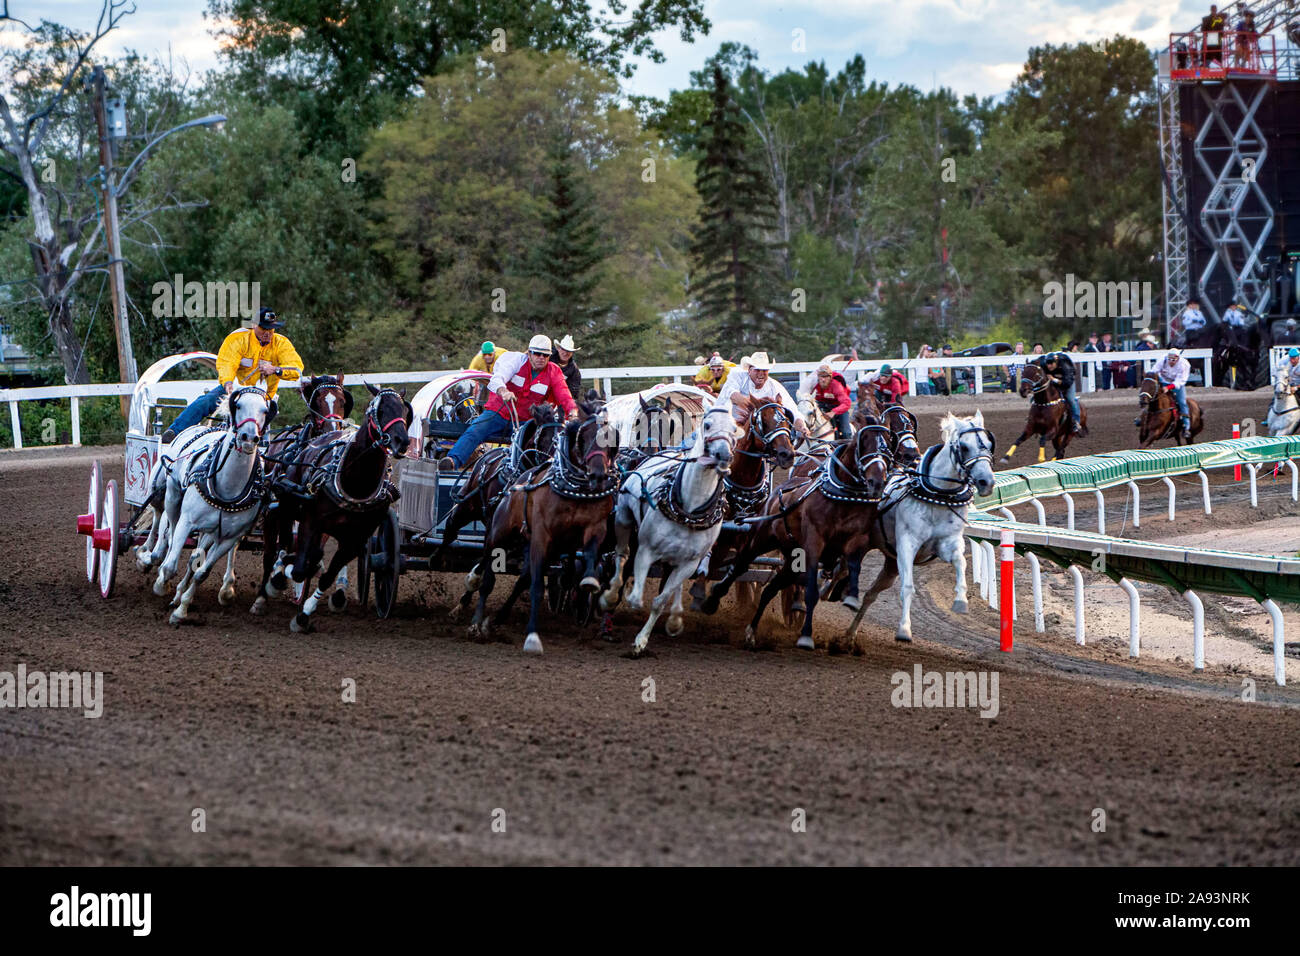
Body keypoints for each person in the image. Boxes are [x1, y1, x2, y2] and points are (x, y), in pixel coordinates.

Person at [439, 334, 579, 471]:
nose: (541, 358)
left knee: (542, 442)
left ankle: (540, 475)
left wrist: (573, 412)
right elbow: (497, 378)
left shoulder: (554, 371)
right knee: (476, 430)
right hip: (498, 413)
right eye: (537, 354)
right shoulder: (516, 360)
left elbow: (565, 396)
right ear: (529, 353)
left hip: (525, 421)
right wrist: (503, 391)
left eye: (545, 355)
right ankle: (452, 461)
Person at [162, 307, 303, 443]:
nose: (268, 333)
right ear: (253, 325)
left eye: (271, 329)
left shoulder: (282, 344)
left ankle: (262, 448)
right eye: (263, 328)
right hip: (235, 390)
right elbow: (227, 362)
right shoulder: (239, 339)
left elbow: (296, 370)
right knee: (206, 401)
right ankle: (174, 432)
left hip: (263, 395)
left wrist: (276, 370)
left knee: (265, 417)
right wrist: (228, 383)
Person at [717, 351, 808, 436]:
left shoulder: (774, 386)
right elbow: (733, 396)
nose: (761, 373)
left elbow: (792, 409)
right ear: (749, 370)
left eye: (764, 370)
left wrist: (802, 427)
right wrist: (759, 407)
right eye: (757, 370)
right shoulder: (737, 375)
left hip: (757, 431)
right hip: (726, 425)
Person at [1029, 349, 1082, 433]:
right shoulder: (1043, 361)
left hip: (1067, 381)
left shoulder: (1066, 366)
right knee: (1035, 397)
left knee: (1071, 399)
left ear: (1056, 362)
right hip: (1052, 381)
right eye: (1048, 364)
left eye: (1051, 364)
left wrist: (1054, 379)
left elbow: (1067, 383)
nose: (1049, 366)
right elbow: (1032, 364)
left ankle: (1076, 422)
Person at [1142, 348, 1193, 437]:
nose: (1171, 362)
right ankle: (1143, 416)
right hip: (1163, 379)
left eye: (1173, 360)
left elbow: (1180, 381)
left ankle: (1186, 426)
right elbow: (1154, 371)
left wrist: (1168, 387)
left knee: (1182, 402)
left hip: (1176, 384)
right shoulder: (1162, 360)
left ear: (1178, 359)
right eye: (1169, 359)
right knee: (1153, 396)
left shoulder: (1184, 365)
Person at [803, 364, 853, 439]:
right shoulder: (813, 385)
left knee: (846, 432)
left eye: (826, 377)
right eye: (821, 376)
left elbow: (846, 403)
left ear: (830, 377)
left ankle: (848, 448)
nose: (823, 379)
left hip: (838, 408)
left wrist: (833, 412)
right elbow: (805, 398)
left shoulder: (836, 385)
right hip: (821, 406)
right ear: (818, 377)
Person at [551, 334, 584, 403]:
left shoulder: (574, 370)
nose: (565, 353)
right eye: (563, 349)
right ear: (559, 349)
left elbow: (575, 390)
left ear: (572, 353)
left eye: (568, 351)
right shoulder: (547, 359)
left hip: (561, 399)